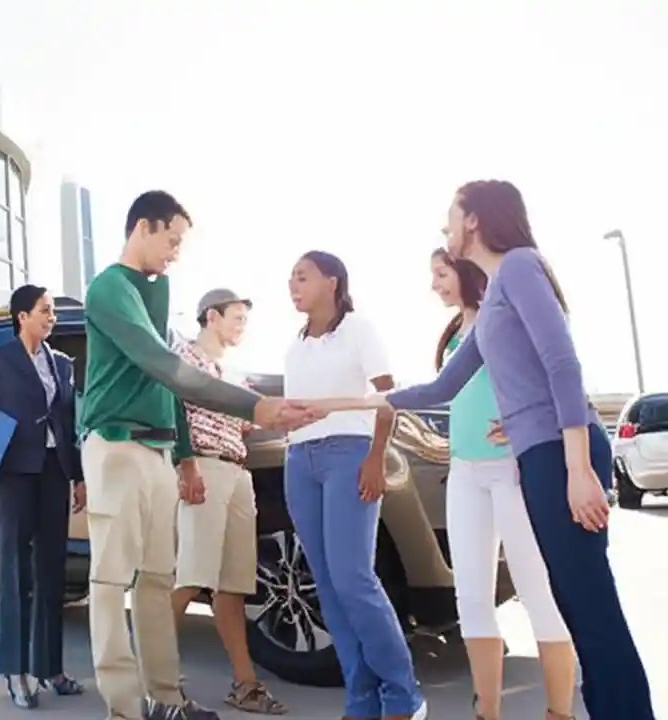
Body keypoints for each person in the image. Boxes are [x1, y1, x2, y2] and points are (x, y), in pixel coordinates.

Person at [313, 180, 654, 720]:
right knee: (577, 602)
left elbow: (563, 364)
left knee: (590, 606)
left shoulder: (519, 266)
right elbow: (439, 389)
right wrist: (335, 404)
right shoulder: (496, 293)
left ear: (473, 220)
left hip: (558, 452)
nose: (445, 226)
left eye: (451, 215)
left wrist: (578, 468)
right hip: (538, 453)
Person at [80, 190, 321, 720]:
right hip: (116, 446)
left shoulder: (154, 288)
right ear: (144, 227)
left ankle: (165, 699)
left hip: (157, 450)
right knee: (111, 580)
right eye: (172, 240)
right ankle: (124, 708)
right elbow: (166, 366)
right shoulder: (108, 289)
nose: (175, 253)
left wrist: (184, 456)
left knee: (158, 578)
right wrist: (256, 407)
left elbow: (166, 387)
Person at [429, 248, 576, 719]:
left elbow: (557, 373)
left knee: (540, 593)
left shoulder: (506, 313)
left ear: (466, 271)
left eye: (441, 272)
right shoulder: (456, 332)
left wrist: (524, 423)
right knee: (470, 598)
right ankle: (486, 713)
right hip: (465, 473)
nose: (434, 284)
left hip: (513, 468)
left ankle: (559, 713)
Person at [282, 251, 427, 720]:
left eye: (302, 277)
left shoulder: (358, 329)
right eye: (291, 278)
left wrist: (375, 458)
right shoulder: (296, 345)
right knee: (326, 584)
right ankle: (359, 702)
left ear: (332, 281)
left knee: (353, 578)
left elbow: (388, 398)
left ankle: (404, 696)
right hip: (299, 460)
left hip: (349, 453)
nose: (293, 285)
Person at [0, 284, 87, 709]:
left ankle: (50, 668)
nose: (51, 317)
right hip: (13, 472)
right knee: (15, 570)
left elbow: (68, 422)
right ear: (22, 316)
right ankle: (15, 672)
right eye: (45, 310)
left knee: (52, 570)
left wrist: (79, 476)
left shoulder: (63, 364)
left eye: (51, 311)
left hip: (53, 471)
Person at [171, 289, 288, 715]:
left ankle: (246, 685)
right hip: (202, 466)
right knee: (189, 575)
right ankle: (155, 680)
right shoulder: (183, 356)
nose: (242, 326)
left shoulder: (232, 371)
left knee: (232, 585)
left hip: (237, 472)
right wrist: (186, 466)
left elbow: (244, 424)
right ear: (212, 316)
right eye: (236, 317)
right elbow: (173, 414)